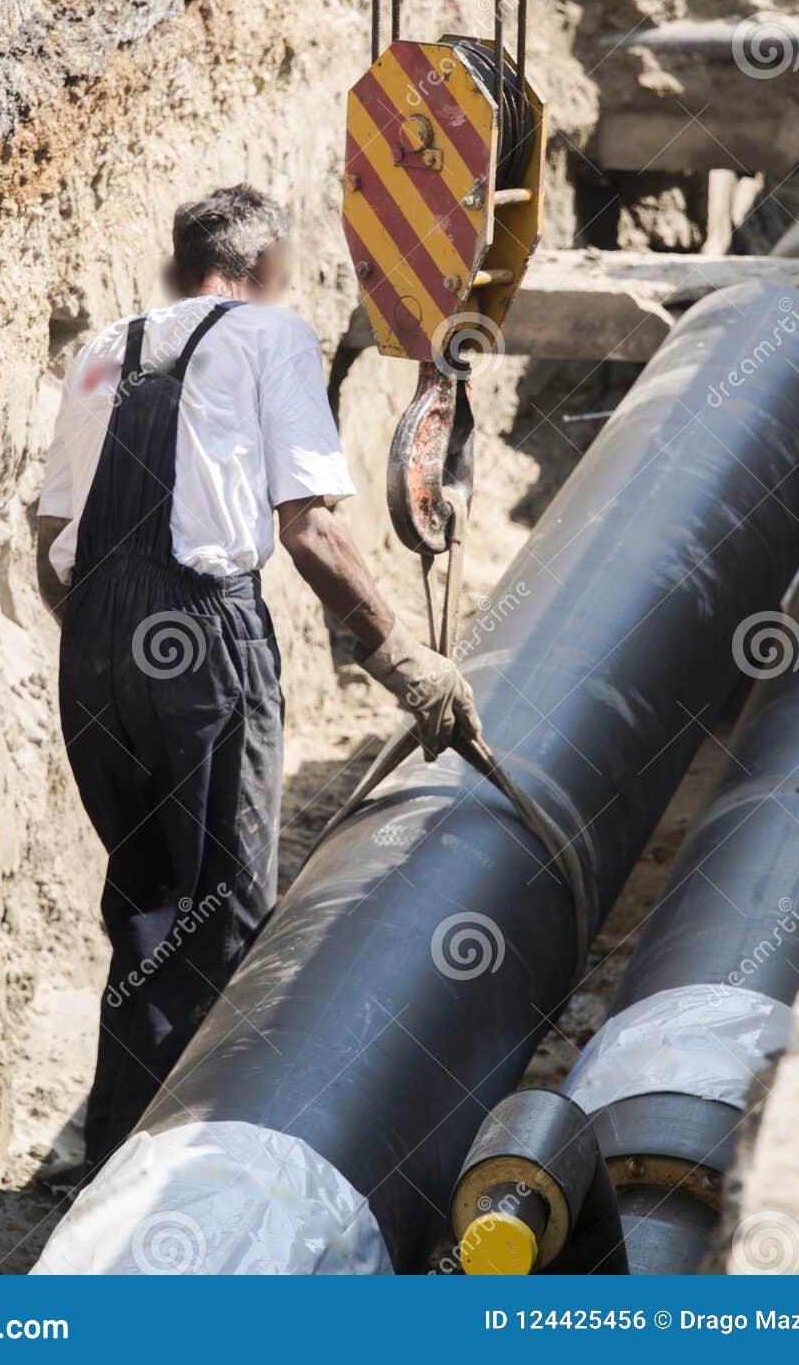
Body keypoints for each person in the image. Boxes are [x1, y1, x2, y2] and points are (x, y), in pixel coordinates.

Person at [37, 183, 480, 1174]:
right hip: (201, 628)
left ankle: (116, 1143)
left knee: (151, 896)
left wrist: (119, 643)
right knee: (228, 902)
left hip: (96, 647)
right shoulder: (271, 339)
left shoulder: (102, 348)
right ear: (259, 268)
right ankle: (206, 1168)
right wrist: (402, 657)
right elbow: (311, 527)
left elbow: (47, 539)